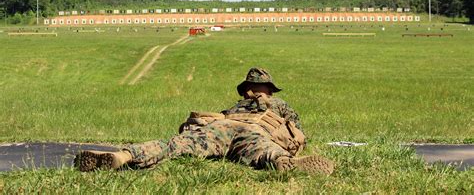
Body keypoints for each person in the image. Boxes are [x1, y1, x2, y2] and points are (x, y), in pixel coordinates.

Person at [75, 67, 334, 174]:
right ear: (268, 88)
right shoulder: (277, 104)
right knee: (266, 151)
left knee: (177, 145)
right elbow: (296, 132)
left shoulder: (234, 106)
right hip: (253, 133)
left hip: (219, 129)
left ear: (246, 89)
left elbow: (212, 120)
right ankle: (284, 162)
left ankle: (124, 156)